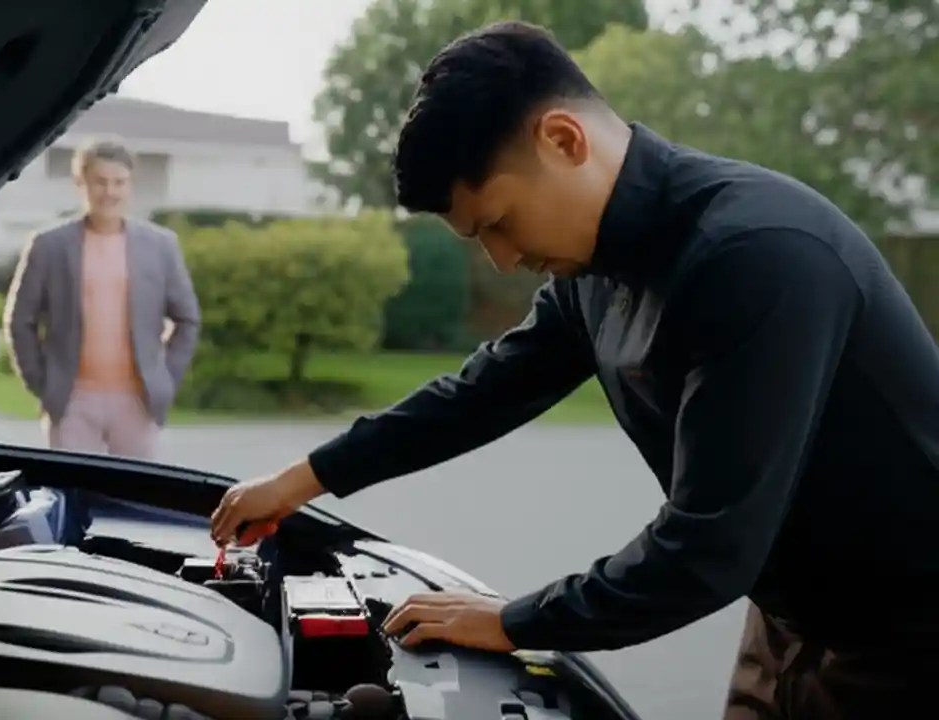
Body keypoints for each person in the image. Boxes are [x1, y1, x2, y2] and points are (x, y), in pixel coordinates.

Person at [209, 20, 939, 719]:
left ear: (563, 138)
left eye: (497, 221)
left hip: (908, 644)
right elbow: (485, 391)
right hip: (787, 623)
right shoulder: (591, 270)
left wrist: (514, 621)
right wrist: (304, 478)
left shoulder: (760, 257)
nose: (500, 258)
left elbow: (707, 550)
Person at [4, 139, 199, 459]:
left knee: (133, 499)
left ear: (130, 185)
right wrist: (43, 384)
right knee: (72, 496)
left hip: (137, 402)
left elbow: (188, 319)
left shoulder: (161, 245)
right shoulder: (48, 245)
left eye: (119, 182)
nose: (110, 192)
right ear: (81, 184)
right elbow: (19, 320)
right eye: (100, 182)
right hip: (73, 402)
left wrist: (165, 377)